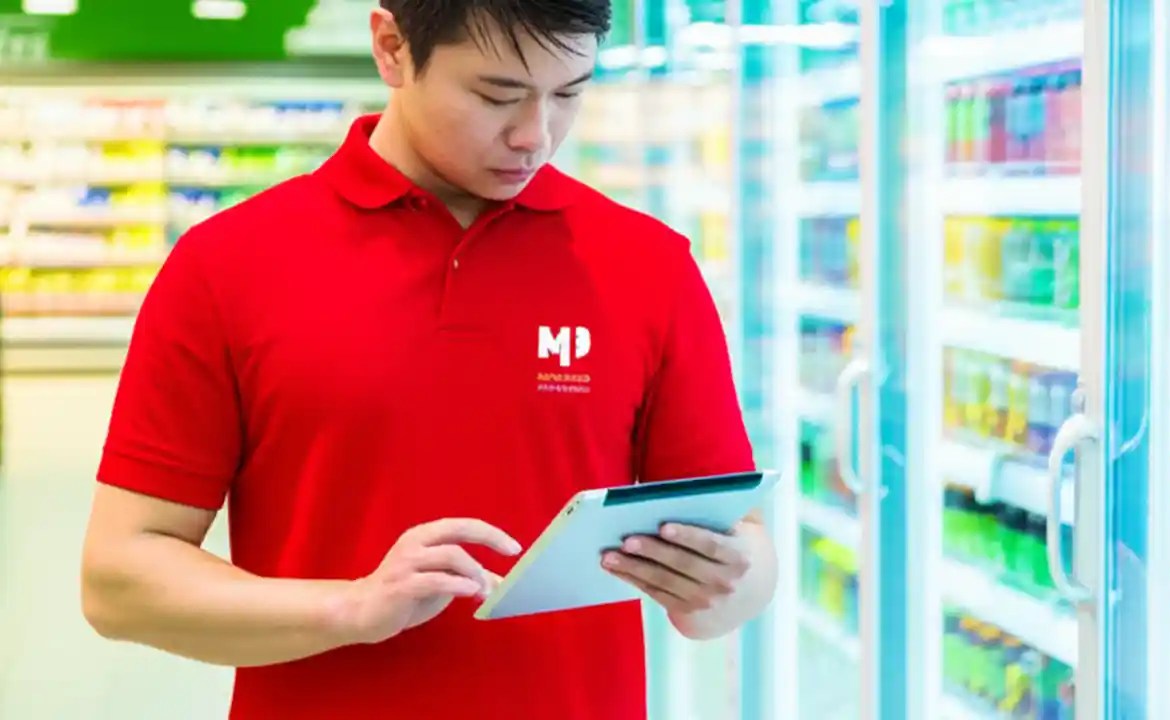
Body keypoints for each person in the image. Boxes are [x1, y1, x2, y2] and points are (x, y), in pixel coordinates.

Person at [79, 1, 778, 719]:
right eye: (496, 95)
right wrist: (349, 607)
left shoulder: (648, 267)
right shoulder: (228, 265)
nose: (535, 136)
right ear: (391, 48)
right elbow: (119, 581)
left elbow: (737, 570)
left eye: (569, 92)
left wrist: (732, 578)